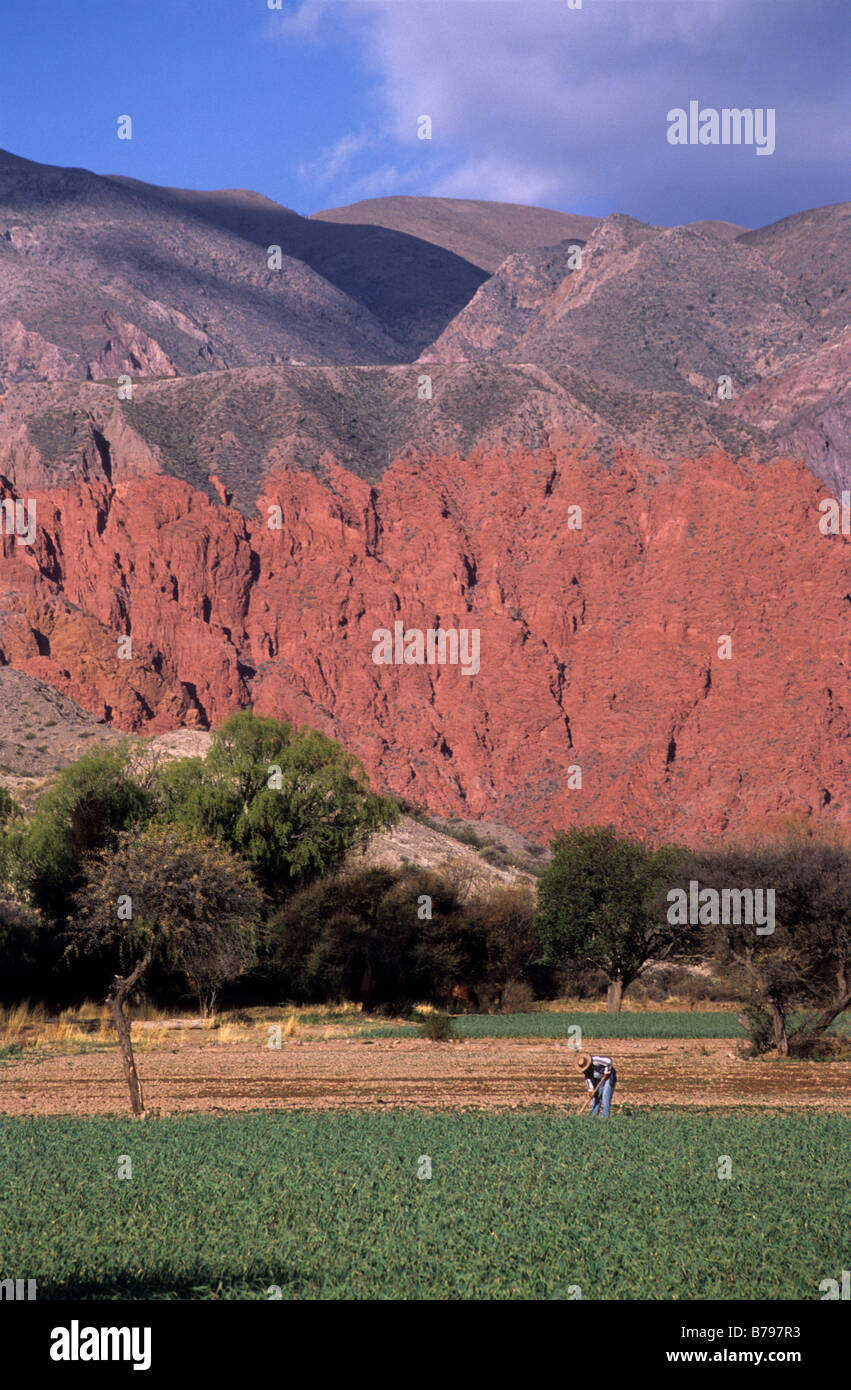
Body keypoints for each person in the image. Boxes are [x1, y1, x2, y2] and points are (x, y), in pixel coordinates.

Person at [576, 1052, 616, 1116]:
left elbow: (609, 1061)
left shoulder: (595, 1060)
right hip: (599, 1079)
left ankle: (605, 1118)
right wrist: (590, 1090)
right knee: (596, 1097)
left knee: (605, 1097)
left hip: (608, 1077)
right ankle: (593, 1116)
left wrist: (606, 1072)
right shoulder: (586, 1071)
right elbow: (588, 1079)